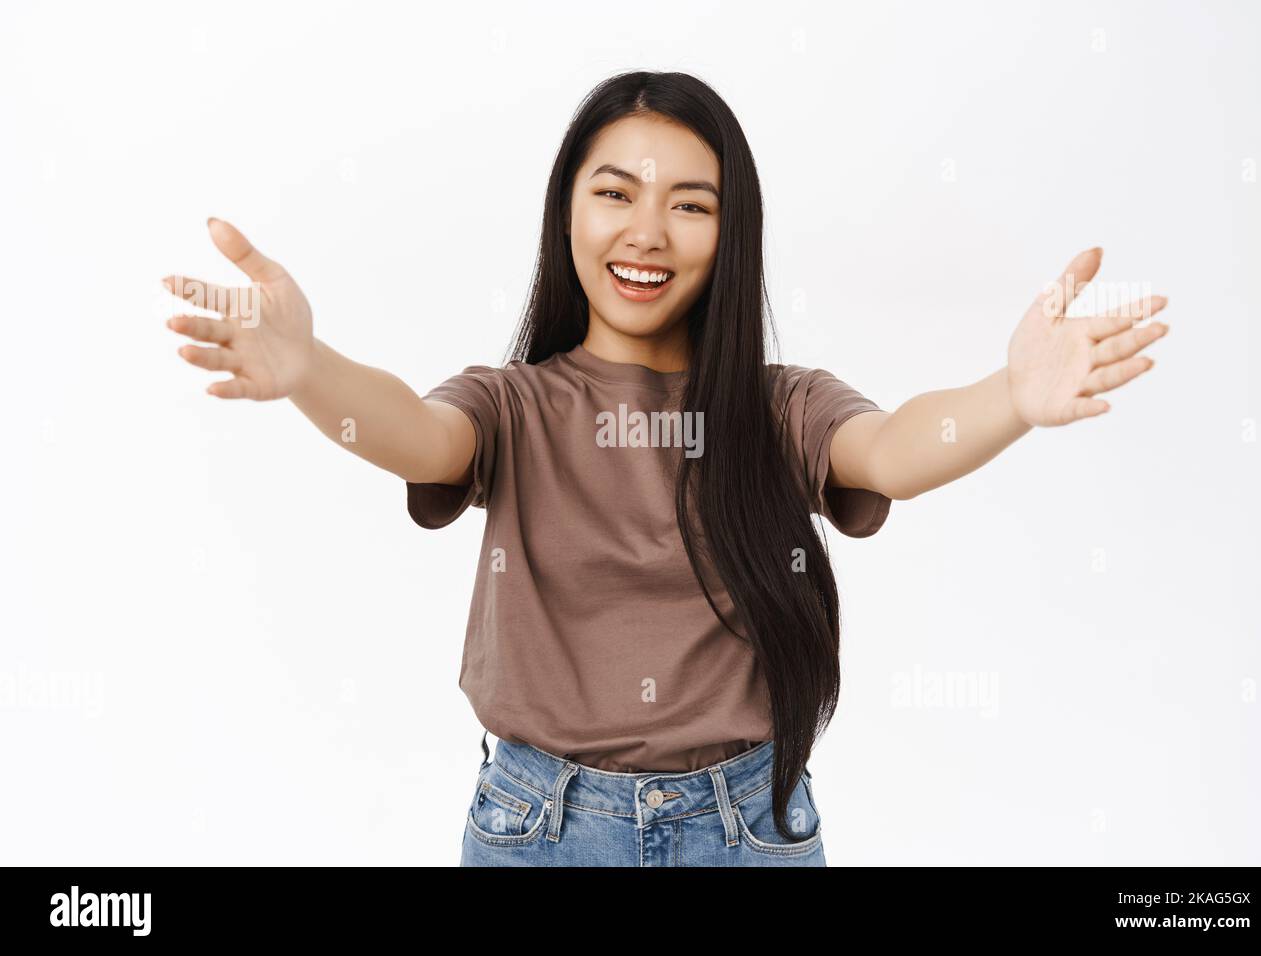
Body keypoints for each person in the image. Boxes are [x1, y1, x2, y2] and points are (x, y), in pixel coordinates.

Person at [160, 71, 1169, 867]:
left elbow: (898, 448)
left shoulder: (777, 405)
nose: (646, 231)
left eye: (691, 204)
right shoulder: (513, 404)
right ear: (568, 214)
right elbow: (412, 434)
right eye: (615, 194)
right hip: (536, 827)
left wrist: (1011, 394)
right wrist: (307, 371)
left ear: (732, 236)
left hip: (746, 827)